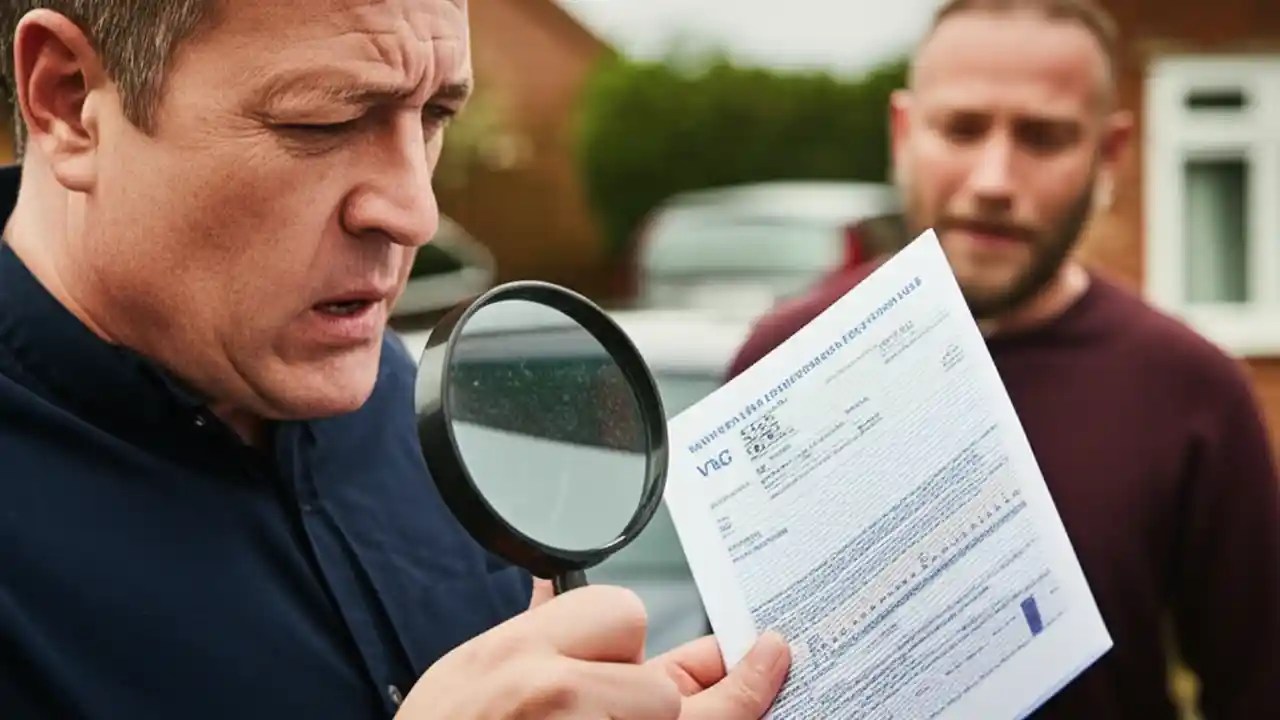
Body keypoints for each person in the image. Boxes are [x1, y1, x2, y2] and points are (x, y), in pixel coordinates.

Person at [0, 1, 790, 718]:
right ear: (68, 100)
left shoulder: (411, 412)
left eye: (436, 113)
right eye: (323, 123)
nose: (415, 211)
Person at [726, 0, 1280, 718]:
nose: (993, 180)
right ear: (902, 131)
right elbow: (732, 679)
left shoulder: (1194, 391)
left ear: (1109, 153)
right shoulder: (780, 363)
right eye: (961, 128)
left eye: (1043, 138)